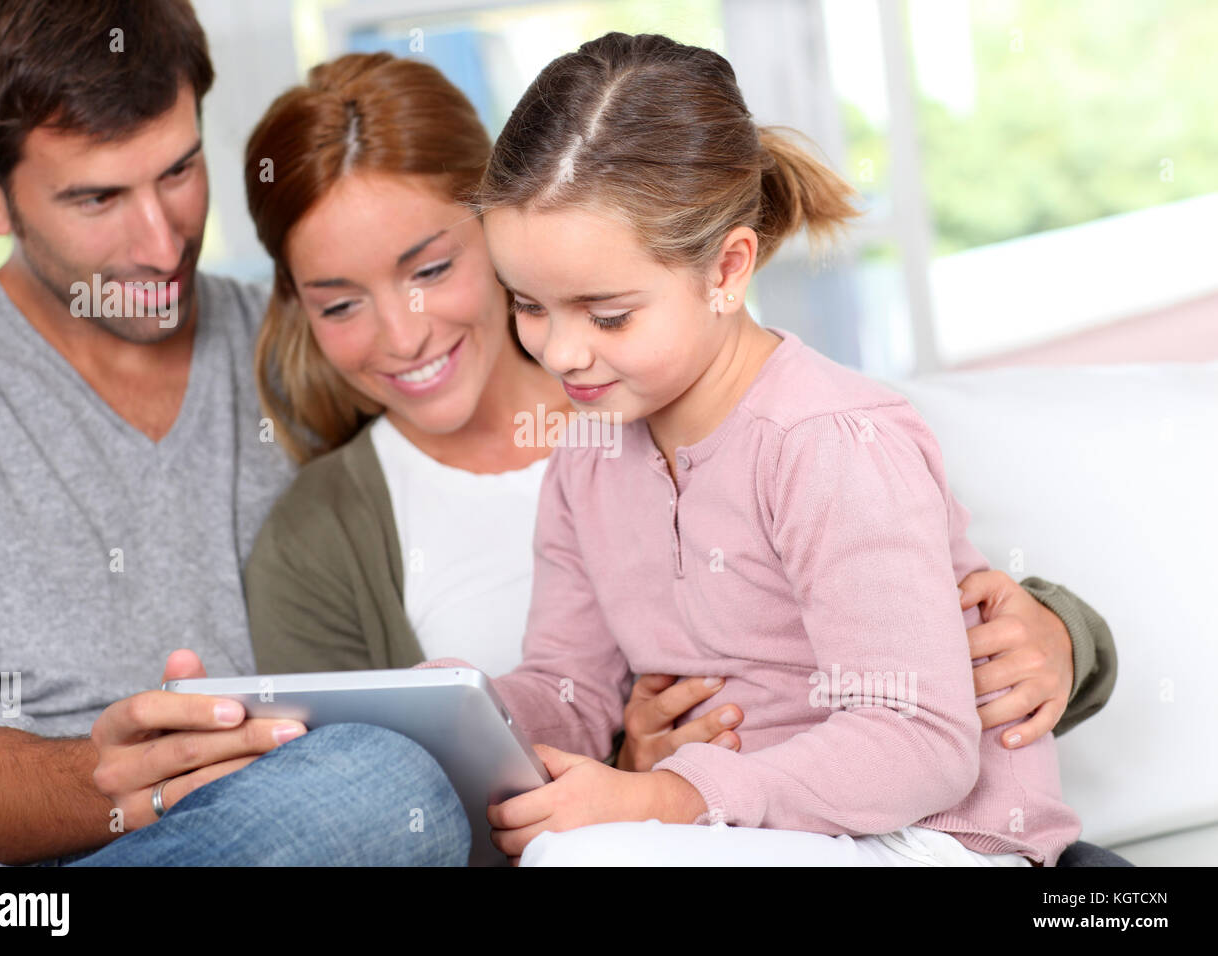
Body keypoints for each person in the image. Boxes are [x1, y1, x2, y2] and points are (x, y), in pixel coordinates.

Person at [240, 50, 1121, 864]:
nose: (561, 353)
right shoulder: (586, 457)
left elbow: (920, 742)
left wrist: (669, 795)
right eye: (530, 305)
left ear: (728, 270)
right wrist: (464, 705)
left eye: (608, 313)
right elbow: (573, 689)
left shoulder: (827, 441)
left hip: (934, 842)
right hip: (756, 833)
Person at [0, 0, 468, 866]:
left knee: (387, 786)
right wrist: (115, 783)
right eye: (97, 196)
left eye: (177, 171)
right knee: (383, 784)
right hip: (42, 884)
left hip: (321, 825)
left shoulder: (308, 341)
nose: (162, 242)